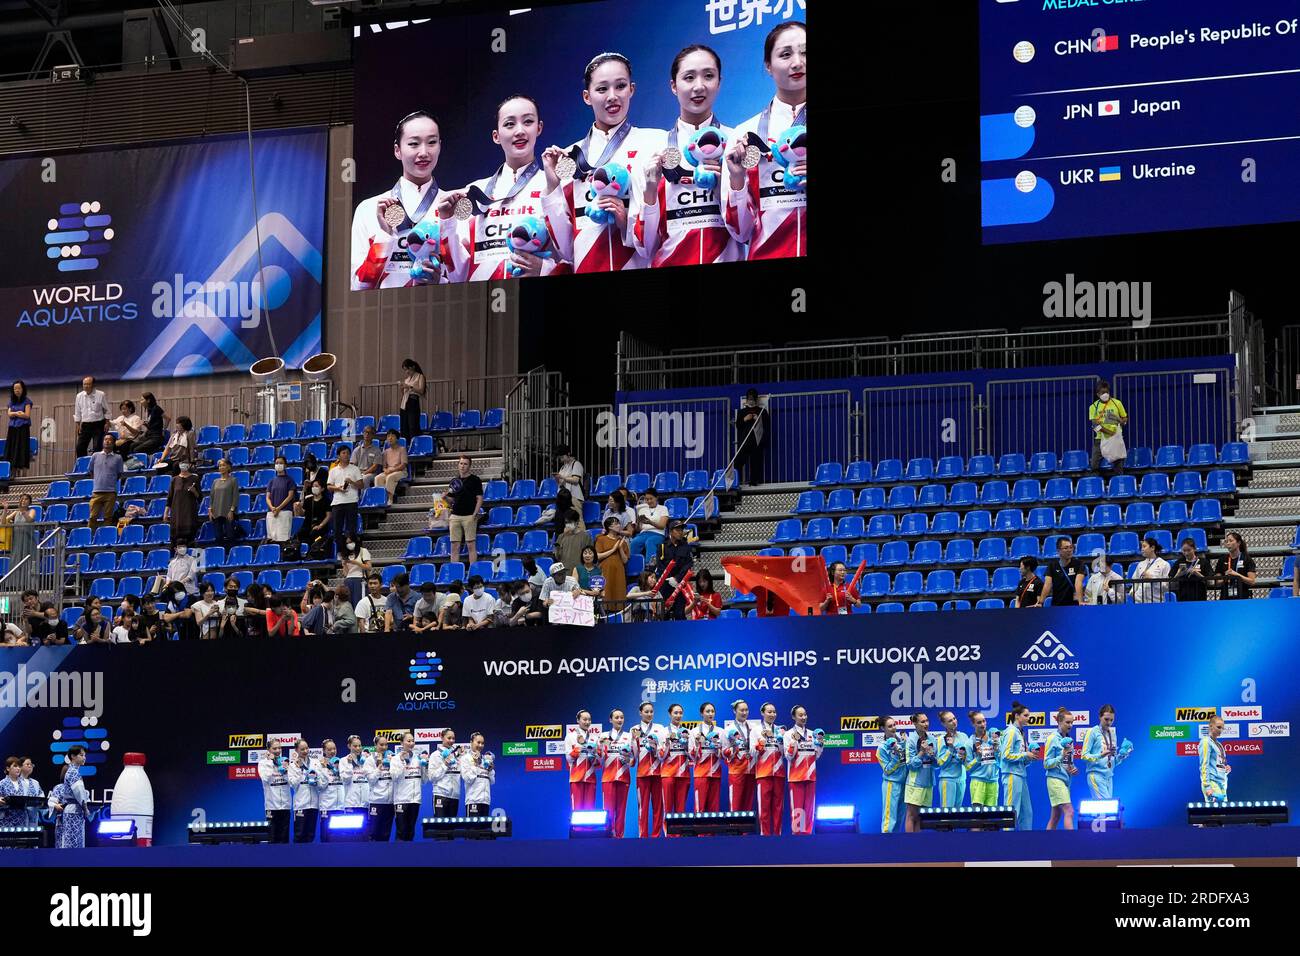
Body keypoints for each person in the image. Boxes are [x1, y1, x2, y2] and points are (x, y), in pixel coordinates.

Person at [637, 45, 748, 269]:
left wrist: (730, 185)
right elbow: (644, 247)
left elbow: (744, 233)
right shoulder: (651, 150)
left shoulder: (736, 143)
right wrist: (650, 191)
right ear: (673, 86)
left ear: (719, 82)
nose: (699, 86)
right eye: (689, 77)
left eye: (708, 76)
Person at [552, 52, 664, 274]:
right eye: (602, 89)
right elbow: (563, 249)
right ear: (587, 96)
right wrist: (550, 185)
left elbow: (662, 233)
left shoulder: (656, 142)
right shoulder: (568, 157)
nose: (612, 96)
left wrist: (626, 221)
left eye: (620, 86)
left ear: (632, 89)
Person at [441, 95, 571, 281]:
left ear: (539, 128)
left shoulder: (554, 185)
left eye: (528, 122)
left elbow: (571, 254)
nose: (519, 131)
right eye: (509, 124)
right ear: (496, 136)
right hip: (482, 302)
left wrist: (545, 269)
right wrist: (447, 222)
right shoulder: (473, 192)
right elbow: (456, 275)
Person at [351, 111, 451, 289]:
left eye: (432, 143)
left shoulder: (451, 207)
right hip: (384, 312)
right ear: (398, 150)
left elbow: (465, 276)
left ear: (440, 146)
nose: (424, 152)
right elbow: (357, 286)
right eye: (413, 144)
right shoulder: (368, 209)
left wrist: (439, 283)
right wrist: (385, 236)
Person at [733, 21, 806, 260]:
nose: (797, 62)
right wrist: (736, 179)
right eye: (785, 54)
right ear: (768, 66)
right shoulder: (745, 133)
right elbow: (739, 232)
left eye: (806, 52)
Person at [783, 705, 822, 835]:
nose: (803, 717)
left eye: (805, 714)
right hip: (795, 777)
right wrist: (793, 743)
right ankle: (797, 838)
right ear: (794, 717)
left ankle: (808, 836)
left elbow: (817, 755)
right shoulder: (788, 734)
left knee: (809, 810)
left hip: (811, 776)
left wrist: (820, 744)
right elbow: (788, 756)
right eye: (800, 715)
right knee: (797, 810)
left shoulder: (813, 734)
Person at [1000, 702, 1039, 830]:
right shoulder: (1011, 731)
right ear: (1017, 716)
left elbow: (1021, 757)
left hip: (1021, 775)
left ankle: (1026, 843)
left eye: (1029, 715)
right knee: (1011, 811)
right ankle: (1007, 842)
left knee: (1027, 812)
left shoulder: (1020, 733)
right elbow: (1006, 755)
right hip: (1011, 775)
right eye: (1026, 715)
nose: (1029, 718)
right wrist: (1024, 754)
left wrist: (1029, 757)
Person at [1081, 704, 1132, 800]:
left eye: (1111, 720)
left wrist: (1122, 755)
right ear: (1100, 717)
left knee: (1106, 812)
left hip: (1109, 777)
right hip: (1096, 775)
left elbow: (1112, 761)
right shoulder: (1092, 732)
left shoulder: (1112, 733)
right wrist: (1101, 755)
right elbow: (1084, 755)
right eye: (1106, 719)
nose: (1109, 723)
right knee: (1105, 810)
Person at [751, 701, 785, 834]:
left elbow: (785, 753)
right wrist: (760, 744)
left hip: (779, 773)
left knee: (778, 808)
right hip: (763, 774)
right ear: (762, 713)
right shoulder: (755, 730)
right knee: (763, 809)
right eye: (769, 712)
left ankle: (777, 837)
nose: (772, 714)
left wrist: (782, 743)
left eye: (774, 712)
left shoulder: (781, 730)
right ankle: (765, 837)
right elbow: (752, 753)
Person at [598, 709, 634, 838]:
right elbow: (599, 761)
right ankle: (608, 835)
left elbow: (633, 759)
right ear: (610, 720)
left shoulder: (629, 736)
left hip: (624, 777)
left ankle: (620, 837)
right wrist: (603, 748)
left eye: (622, 717)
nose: (619, 720)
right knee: (608, 810)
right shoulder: (603, 736)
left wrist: (629, 760)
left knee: (621, 810)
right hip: (608, 777)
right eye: (616, 717)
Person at [632, 701, 665, 837]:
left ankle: (656, 835)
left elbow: (663, 750)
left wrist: (656, 748)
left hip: (658, 772)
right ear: (640, 713)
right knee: (643, 807)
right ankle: (643, 836)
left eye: (651, 711)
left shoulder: (660, 728)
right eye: (646, 711)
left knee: (658, 806)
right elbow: (634, 752)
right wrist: (635, 742)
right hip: (642, 773)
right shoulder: (634, 729)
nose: (649, 714)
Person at [657, 703, 692, 831]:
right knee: (667, 807)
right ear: (669, 714)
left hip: (683, 774)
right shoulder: (663, 732)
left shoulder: (687, 732)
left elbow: (693, 757)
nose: (678, 715)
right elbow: (660, 756)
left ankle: (679, 834)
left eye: (680, 713)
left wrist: (687, 744)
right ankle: (668, 835)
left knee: (681, 808)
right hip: (668, 773)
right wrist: (667, 743)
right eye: (675, 713)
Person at [1044, 708, 1078, 830]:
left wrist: (1072, 768)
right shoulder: (1052, 738)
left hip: (1065, 781)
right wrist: (1061, 756)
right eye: (1067, 722)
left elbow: (1067, 762)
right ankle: (1071, 844)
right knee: (1069, 811)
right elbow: (1046, 763)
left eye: (1072, 722)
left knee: (1055, 816)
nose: (1070, 725)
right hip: (1055, 780)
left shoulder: (1069, 740)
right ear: (1059, 722)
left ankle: (1047, 846)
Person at [48, 745, 89, 848]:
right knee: (72, 842)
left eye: (84, 755)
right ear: (73, 756)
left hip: (74, 810)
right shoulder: (73, 772)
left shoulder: (73, 771)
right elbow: (80, 794)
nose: (84, 757)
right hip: (73, 811)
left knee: (74, 841)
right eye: (81, 755)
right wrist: (86, 808)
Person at [327, 446, 363, 559]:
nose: (346, 455)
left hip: (351, 501)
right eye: (343, 453)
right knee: (337, 529)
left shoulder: (355, 469)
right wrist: (338, 489)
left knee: (351, 528)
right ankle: (341, 552)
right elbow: (329, 486)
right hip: (337, 502)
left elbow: (361, 485)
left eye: (348, 453)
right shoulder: (333, 470)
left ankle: (352, 552)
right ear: (338, 455)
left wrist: (352, 482)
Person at [654, 521, 696, 620]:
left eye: (681, 530)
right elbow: (660, 565)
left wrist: (677, 578)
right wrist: (668, 578)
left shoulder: (686, 547)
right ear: (671, 532)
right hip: (665, 585)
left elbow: (688, 564)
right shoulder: (662, 547)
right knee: (664, 615)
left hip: (680, 585)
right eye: (677, 530)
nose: (680, 532)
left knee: (679, 614)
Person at [447, 455, 483, 567]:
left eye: (465, 464)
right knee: (454, 546)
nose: (462, 466)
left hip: (469, 516)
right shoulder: (454, 481)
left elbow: (480, 498)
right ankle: (455, 572)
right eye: (461, 463)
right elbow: (451, 501)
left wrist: (474, 514)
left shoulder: (475, 480)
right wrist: (444, 498)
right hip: (455, 516)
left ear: (469, 466)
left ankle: (473, 571)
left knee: (471, 545)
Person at [722, 699, 757, 814]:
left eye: (746, 710)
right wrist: (731, 751)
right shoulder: (728, 729)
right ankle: (734, 830)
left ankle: (746, 832)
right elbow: (723, 752)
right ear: (734, 711)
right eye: (741, 710)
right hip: (736, 770)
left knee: (748, 804)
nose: (744, 712)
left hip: (751, 769)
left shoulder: (753, 728)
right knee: (736, 803)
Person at [903, 712, 936, 832]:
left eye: (927, 721)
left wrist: (933, 757)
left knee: (920, 817)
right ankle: (909, 847)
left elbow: (936, 765)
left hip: (928, 783)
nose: (926, 724)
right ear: (915, 724)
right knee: (911, 816)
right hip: (915, 783)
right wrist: (922, 752)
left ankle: (918, 846)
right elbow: (911, 765)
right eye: (922, 722)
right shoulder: (911, 740)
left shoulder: (932, 738)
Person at [690, 702, 724, 814]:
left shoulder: (720, 731)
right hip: (700, 772)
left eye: (712, 711)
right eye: (707, 711)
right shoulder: (694, 732)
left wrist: (719, 748)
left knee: (714, 807)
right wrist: (697, 743)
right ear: (701, 713)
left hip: (715, 772)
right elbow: (691, 755)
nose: (710, 714)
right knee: (700, 806)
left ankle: (711, 831)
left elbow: (723, 755)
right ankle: (700, 832)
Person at [390, 732, 425, 842]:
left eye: (412, 741)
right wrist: (403, 762)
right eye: (408, 741)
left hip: (415, 800)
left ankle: (409, 856)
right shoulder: (395, 759)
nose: (411, 743)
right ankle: (398, 856)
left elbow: (424, 780)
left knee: (411, 831)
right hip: (401, 800)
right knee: (401, 832)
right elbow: (394, 776)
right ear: (401, 743)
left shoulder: (418, 759)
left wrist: (425, 767)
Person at [87, 433, 124, 535]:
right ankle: (90, 536)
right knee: (92, 516)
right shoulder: (95, 456)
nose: (107, 441)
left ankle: (105, 536)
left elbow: (119, 474)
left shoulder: (118, 458)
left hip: (110, 492)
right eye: (105, 439)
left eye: (109, 440)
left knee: (108, 517)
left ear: (113, 443)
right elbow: (90, 471)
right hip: (97, 491)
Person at [1088, 380, 1128, 474]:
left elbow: (1125, 419)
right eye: (1102, 392)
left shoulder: (1117, 403)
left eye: (1107, 392)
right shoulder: (1093, 407)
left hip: (1115, 439)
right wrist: (1108, 432)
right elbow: (1095, 425)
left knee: (1118, 464)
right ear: (1098, 394)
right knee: (1094, 465)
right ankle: (1097, 484)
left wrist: (1120, 421)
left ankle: (1118, 482)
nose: (1105, 394)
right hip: (1099, 439)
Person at [965, 710, 1002, 808]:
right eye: (979, 722)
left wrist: (997, 749)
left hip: (993, 781)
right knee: (977, 817)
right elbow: (967, 767)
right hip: (978, 782)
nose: (983, 724)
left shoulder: (995, 739)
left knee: (991, 816)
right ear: (973, 724)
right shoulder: (970, 743)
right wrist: (978, 758)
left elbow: (1000, 761)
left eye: (984, 721)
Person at [565, 710, 601, 810]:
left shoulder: (594, 738)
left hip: (590, 778)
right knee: (576, 810)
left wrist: (594, 755)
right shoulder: (570, 736)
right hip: (576, 778)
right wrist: (579, 747)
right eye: (584, 719)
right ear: (578, 720)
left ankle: (588, 827)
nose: (587, 722)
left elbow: (598, 762)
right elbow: (568, 759)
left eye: (589, 720)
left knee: (589, 810)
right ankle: (577, 827)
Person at [876, 717, 907, 833]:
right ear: (882, 728)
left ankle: (895, 844)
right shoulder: (882, 748)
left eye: (894, 725)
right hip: (891, 784)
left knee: (900, 817)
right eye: (890, 726)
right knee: (889, 817)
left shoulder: (903, 742)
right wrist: (896, 756)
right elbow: (887, 770)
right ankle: (885, 844)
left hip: (905, 783)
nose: (894, 728)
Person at [287, 738, 321, 843]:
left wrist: (316, 780)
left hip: (314, 805)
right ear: (296, 750)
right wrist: (299, 769)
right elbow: (293, 784)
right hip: (301, 805)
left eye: (307, 748)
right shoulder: (292, 766)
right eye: (302, 749)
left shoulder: (315, 763)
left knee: (311, 835)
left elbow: (321, 782)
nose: (305, 751)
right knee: (299, 835)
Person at [733, 388, 770, 485]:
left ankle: (754, 481)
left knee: (756, 462)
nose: (751, 401)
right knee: (738, 463)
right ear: (746, 400)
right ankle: (737, 482)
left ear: (756, 399)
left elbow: (767, 427)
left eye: (753, 399)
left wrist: (758, 420)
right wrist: (745, 419)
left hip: (756, 441)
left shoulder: (762, 412)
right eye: (749, 399)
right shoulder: (742, 412)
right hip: (744, 441)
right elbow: (738, 425)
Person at [258, 740, 292, 843]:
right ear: (268, 750)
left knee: (284, 838)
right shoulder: (263, 763)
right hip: (271, 806)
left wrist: (285, 771)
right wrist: (270, 762)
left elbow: (291, 782)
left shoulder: (286, 762)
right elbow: (265, 778)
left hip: (285, 805)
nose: (278, 751)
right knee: (272, 838)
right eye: (274, 748)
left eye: (279, 748)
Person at [935, 710, 971, 808]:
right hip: (948, 779)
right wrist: (950, 749)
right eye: (950, 721)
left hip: (961, 779)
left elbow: (968, 759)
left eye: (954, 718)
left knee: (957, 813)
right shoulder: (940, 739)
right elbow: (941, 763)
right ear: (943, 724)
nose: (954, 722)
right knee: (947, 813)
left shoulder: (963, 736)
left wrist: (964, 758)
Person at [594, 517, 630, 614]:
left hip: (619, 571)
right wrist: (613, 550)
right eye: (616, 523)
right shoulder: (601, 539)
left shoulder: (622, 541)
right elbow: (597, 556)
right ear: (609, 527)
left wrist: (620, 548)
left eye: (619, 523)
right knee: (606, 594)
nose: (619, 525)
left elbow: (625, 560)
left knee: (619, 594)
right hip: (605, 570)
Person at [3, 494, 38, 591]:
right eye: (22, 499)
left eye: (26, 499)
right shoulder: (15, 513)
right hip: (17, 541)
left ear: (29, 502)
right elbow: (3, 522)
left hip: (28, 541)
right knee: (16, 562)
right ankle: (15, 586)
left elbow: (29, 519)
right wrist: (5, 510)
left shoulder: (32, 511)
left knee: (28, 563)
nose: (23, 501)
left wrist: (23, 512)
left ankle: (29, 587)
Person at [1043, 535, 1086, 607]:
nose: (1069, 550)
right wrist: (1040, 602)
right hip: (1057, 605)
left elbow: (1078, 583)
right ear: (1058, 550)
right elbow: (1047, 585)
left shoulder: (1079, 564)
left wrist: (1080, 601)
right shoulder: (1052, 565)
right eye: (1066, 548)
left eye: (1071, 547)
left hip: (1074, 605)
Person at [366, 737, 395, 840]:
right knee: (374, 833)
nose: (384, 747)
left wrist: (393, 764)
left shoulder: (392, 758)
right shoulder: (369, 760)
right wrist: (379, 767)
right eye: (381, 745)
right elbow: (371, 780)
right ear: (375, 745)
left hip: (390, 802)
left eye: (386, 745)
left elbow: (396, 777)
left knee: (386, 835)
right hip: (376, 801)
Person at [314, 739, 345, 837]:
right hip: (327, 806)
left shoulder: (341, 763)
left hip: (341, 806)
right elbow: (321, 786)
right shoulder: (318, 765)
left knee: (340, 837)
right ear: (323, 751)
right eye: (329, 749)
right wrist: (325, 769)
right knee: (326, 836)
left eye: (334, 749)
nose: (332, 751)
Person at [628, 487, 669, 561]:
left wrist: (650, 522)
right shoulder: (642, 509)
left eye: (651, 498)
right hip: (643, 533)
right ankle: (632, 565)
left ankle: (650, 567)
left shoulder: (663, 508)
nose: (649, 501)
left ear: (656, 498)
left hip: (658, 534)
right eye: (647, 499)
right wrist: (638, 523)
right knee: (634, 542)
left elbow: (662, 526)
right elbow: (639, 529)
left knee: (650, 541)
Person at [459, 733, 495, 817]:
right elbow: (468, 778)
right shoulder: (465, 758)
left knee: (483, 829)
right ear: (471, 742)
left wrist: (490, 770)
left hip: (485, 801)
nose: (480, 745)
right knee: (472, 829)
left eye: (482, 743)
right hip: (473, 801)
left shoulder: (485, 759)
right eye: (478, 742)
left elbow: (492, 781)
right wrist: (475, 764)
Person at [164, 461, 200, 544]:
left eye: (186, 462)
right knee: (176, 540)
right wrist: (166, 513)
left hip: (189, 512)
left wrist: (194, 491)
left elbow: (199, 497)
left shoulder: (195, 478)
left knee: (190, 539)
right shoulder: (174, 480)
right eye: (182, 463)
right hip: (177, 513)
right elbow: (170, 498)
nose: (184, 465)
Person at [73, 376, 108, 459]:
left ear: (93, 385)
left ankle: (95, 466)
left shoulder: (101, 394)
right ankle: (83, 466)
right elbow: (77, 412)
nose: (86, 386)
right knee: (80, 447)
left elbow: (106, 410)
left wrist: (107, 422)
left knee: (97, 447)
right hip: (85, 425)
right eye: (84, 384)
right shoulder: (79, 396)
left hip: (98, 424)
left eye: (88, 384)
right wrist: (78, 424)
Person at [297, 476, 332, 560]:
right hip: (308, 524)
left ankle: (312, 554)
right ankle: (301, 554)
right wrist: (299, 508)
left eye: (316, 486)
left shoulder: (326, 501)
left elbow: (328, 516)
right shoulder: (308, 500)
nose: (314, 488)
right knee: (300, 534)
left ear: (322, 489)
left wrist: (320, 525)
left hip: (320, 526)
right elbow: (303, 514)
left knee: (314, 534)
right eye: (313, 486)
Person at [430, 728, 462, 817]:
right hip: (440, 795)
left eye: (453, 738)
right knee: (440, 828)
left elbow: (463, 775)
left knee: (451, 828)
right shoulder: (435, 755)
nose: (451, 741)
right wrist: (445, 765)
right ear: (442, 737)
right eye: (449, 738)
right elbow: (432, 777)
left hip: (455, 796)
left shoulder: (457, 756)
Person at [264, 455, 297, 543]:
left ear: (285, 465)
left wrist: (279, 508)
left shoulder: (290, 480)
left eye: (281, 463)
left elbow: (290, 496)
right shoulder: (272, 481)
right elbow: (267, 497)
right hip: (272, 512)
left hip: (285, 512)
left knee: (283, 539)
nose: (278, 465)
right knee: (272, 539)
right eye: (277, 463)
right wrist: (272, 508)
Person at [208, 457, 240, 546]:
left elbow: (235, 496)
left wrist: (232, 510)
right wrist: (210, 509)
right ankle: (221, 555)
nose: (221, 467)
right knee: (218, 536)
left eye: (223, 465)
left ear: (228, 467)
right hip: (216, 511)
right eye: (220, 466)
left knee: (230, 535)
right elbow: (212, 496)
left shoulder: (233, 480)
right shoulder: (215, 481)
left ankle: (232, 555)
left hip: (228, 512)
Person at [1215, 531, 1256, 599]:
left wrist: (1237, 575)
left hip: (1242, 598)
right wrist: (1225, 578)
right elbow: (1216, 582)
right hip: (1225, 598)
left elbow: (1252, 581)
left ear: (1238, 543)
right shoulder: (1222, 559)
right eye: (1226, 541)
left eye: (1231, 541)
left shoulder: (1247, 559)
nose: (1228, 543)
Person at [124, 392, 165, 459]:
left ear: (148, 400)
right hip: (150, 436)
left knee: (137, 450)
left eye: (142, 400)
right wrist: (146, 425)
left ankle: (158, 451)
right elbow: (153, 426)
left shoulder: (156, 408)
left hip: (156, 437)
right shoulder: (149, 410)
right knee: (132, 445)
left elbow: (168, 418)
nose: (141, 402)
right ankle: (133, 463)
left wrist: (163, 430)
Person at [1199, 716, 1230, 804]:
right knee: (1216, 815)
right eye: (1218, 727)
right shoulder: (1206, 741)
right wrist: (1207, 786)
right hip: (1212, 783)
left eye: (1222, 728)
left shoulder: (1219, 744)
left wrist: (1225, 769)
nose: (1220, 730)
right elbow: (1204, 765)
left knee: (1223, 814)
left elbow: (1218, 764)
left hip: (1222, 782)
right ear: (1211, 726)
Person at [5, 380, 32, 477]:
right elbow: (9, 414)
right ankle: (11, 473)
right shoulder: (11, 401)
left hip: (23, 429)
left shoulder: (27, 401)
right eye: (15, 388)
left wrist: (17, 414)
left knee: (22, 450)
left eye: (19, 388)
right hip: (12, 429)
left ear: (23, 389)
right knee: (11, 450)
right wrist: (18, 413)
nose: (17, 390)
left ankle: (23, 475)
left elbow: (27, 415)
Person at [1132, 536, 1172, 604]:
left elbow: (1167, 587)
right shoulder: (1140, 565)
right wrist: (1133, 594)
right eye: (1141, 547)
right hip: (1139, 603)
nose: (1142, 549)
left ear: (1152, 548)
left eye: (1144, 546)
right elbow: (1135, 582)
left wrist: (1153, 579)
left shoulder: (1164, 564)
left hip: (1156, 602)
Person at [341, 736, 370, 814]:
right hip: (351, 803)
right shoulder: (343, 761)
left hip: (365, 804)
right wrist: (350, 764)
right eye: (355, 746)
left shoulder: (366, 760)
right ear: (349, 746)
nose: (358, 748)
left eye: (359, 746)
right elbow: (345, 780)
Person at [340, 534, 372, 606]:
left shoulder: (363, 551)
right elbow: (345, 574)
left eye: (350, 542)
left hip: (359, 580)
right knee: (349, 604)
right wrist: (344, 565)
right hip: (348, 581)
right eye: (347, 543)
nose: (349, 544)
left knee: (359, 604)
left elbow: (369, 567)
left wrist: (355, 562)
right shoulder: (345, 554)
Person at [377, 429, 408, 504]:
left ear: (397, 438)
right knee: (378, 478)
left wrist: (392, 470)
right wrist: (385, 470)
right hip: (389, 471)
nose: (390, 438)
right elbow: (384, 467)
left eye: (392, 436)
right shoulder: (385, 452)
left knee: (390, 477)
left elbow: (403, 465)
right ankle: (381, 498)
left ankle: (390, 499)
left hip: (400, 471)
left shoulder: (402, 449)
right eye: (388, 436)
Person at [398, 360, 427, 441]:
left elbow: (421, 390)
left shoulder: (420, 376)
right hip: (404, 403)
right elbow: (403, 394)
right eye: (405, 370)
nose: (407, 372)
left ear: (413, 367)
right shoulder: (407, 379)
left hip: (413, 401)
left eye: (408, 369)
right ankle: (406, 445)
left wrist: (410, 387)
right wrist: (402, 387)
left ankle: (415, 444)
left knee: (413, 426)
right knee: (404, 427)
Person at [351, 425, 383, 491]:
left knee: (365, 478)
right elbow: (352, 465)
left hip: (371, 474)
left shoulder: (377, 450)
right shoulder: (357, 450)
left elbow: (375, 466)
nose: (367, 434)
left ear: (373, 435)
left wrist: (364, 473)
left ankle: (364, 499)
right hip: (358, 472)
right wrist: (357, 474)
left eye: (369, 432)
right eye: (365, 432)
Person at [0, 757, 26, 827]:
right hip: (5, 821)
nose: (18, 768)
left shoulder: (25, 783)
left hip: (22, 821)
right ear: (8, 768)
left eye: (19, 766)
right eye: (15, 766)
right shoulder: (2, 783)